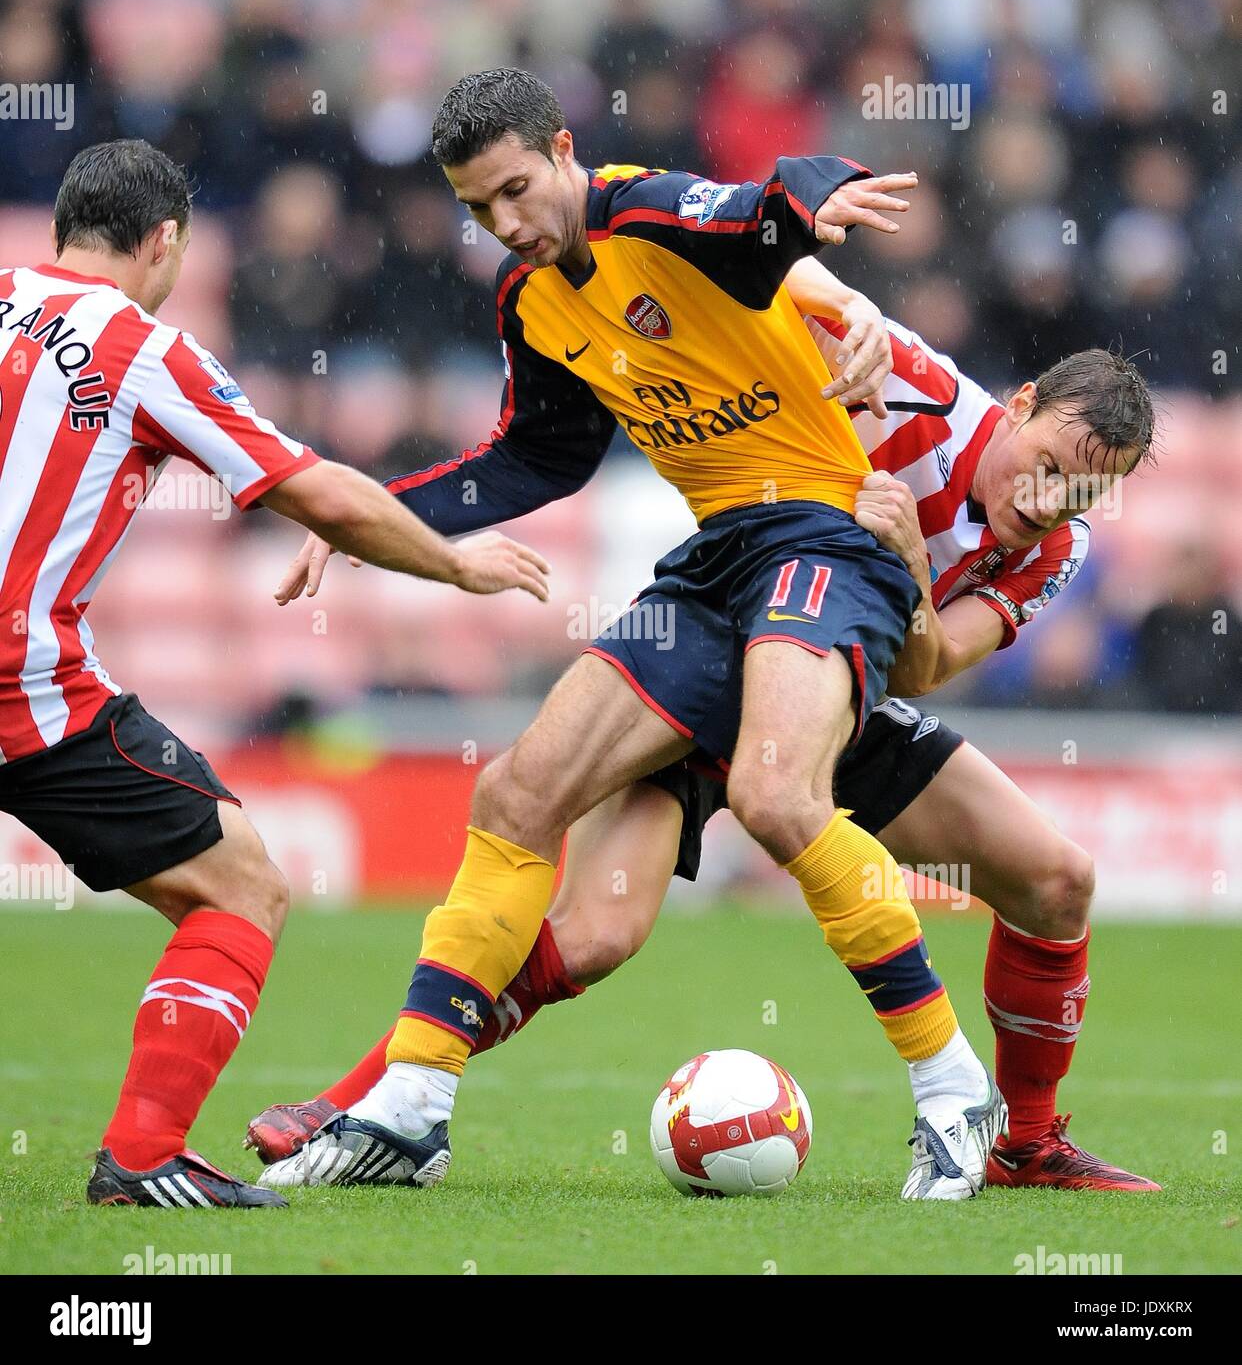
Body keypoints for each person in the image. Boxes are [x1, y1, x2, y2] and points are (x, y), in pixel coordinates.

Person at [253, 67, 1006, 1202]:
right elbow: (535, 458)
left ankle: (956, 1094)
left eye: (516, 190)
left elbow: (760, 216)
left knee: (777, 794)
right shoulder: (531, 299)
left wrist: (827, 194)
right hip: (714, 562)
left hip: (825, 533)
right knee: (515, 794)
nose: (507, 224)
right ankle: (410, 1110)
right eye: (478, 210)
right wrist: (374, 514)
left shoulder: (641, 208)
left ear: (562, 149)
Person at [0, 138, 550, 1210]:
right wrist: (452, 563)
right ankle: (143, 1154)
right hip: (23, 686)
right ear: (166, 244)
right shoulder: (144, 350)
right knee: (239, 887)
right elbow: (318, 492)